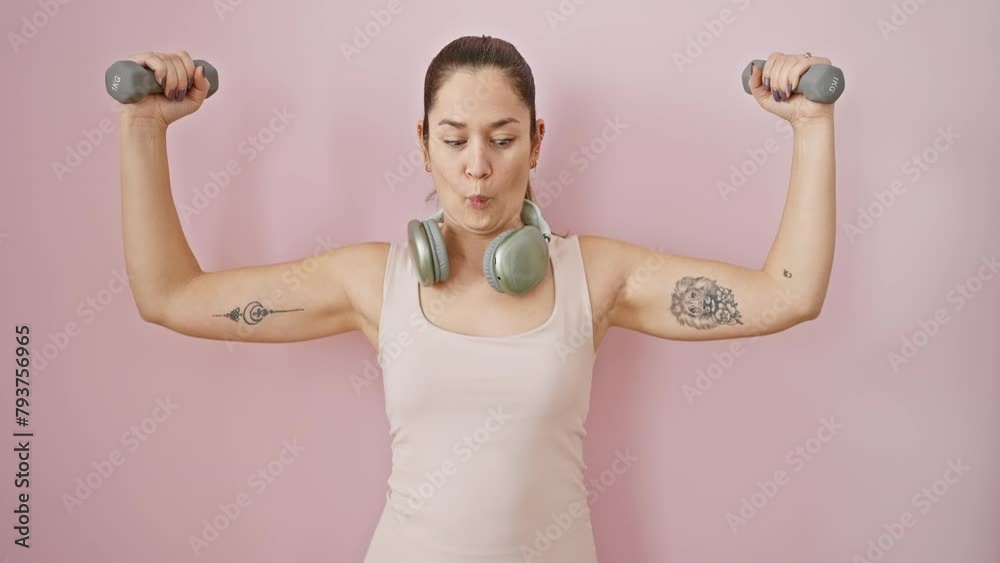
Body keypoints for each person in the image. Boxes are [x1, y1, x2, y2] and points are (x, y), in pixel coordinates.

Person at [118, 36, 835, 563]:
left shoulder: (598, 274)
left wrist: (811, 126)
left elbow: (785, 296)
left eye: (502, 138)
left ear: (537, 141)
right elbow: (172, 296)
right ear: (424, 143)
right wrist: (144, 126)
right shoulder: (374, 282)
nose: (478, 167)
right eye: (455, 139)